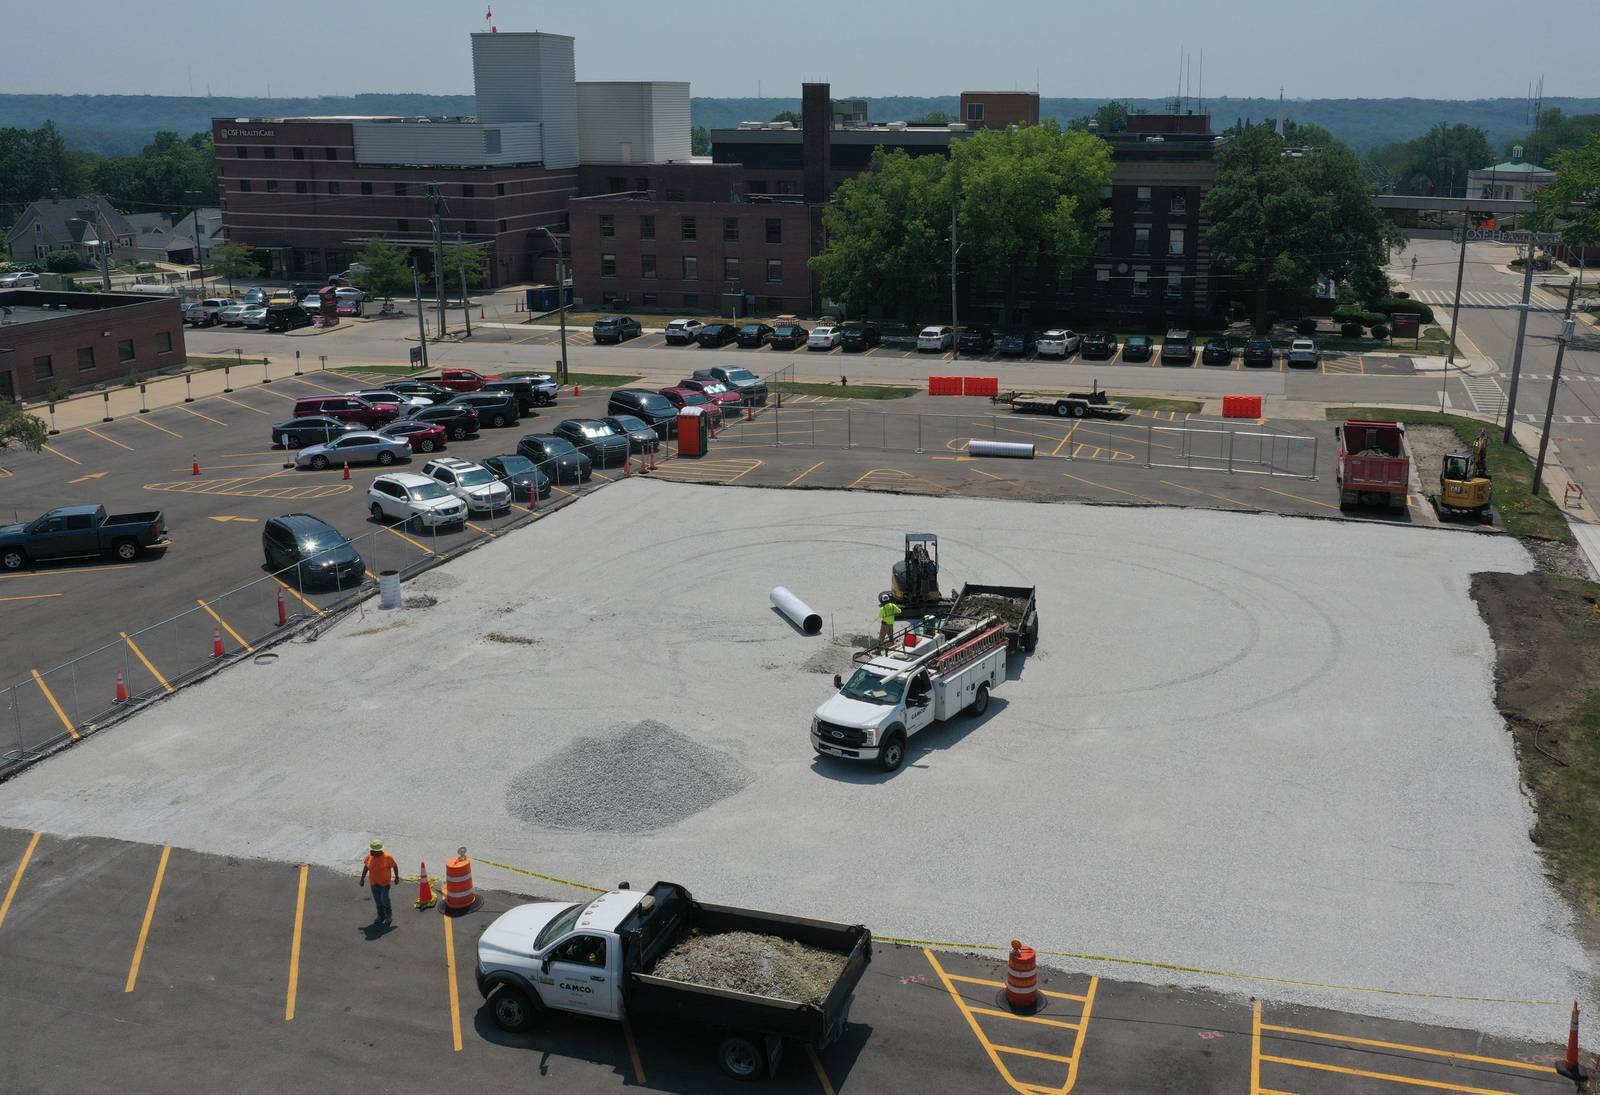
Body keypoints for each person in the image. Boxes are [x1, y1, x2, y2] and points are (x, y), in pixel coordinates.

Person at [360, 839, 401, 926]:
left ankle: (388, 916)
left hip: (384, 884)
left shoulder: (388, 857)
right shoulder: (369, 857)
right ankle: (380, 916)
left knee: (384, 900)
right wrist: (362, 879)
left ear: (379, 851)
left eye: (373, 850)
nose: (370, 852)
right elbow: (366, 867)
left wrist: (397, 877)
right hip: (373, 883)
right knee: (378, 901)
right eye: (371, 850)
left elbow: (395, 866)